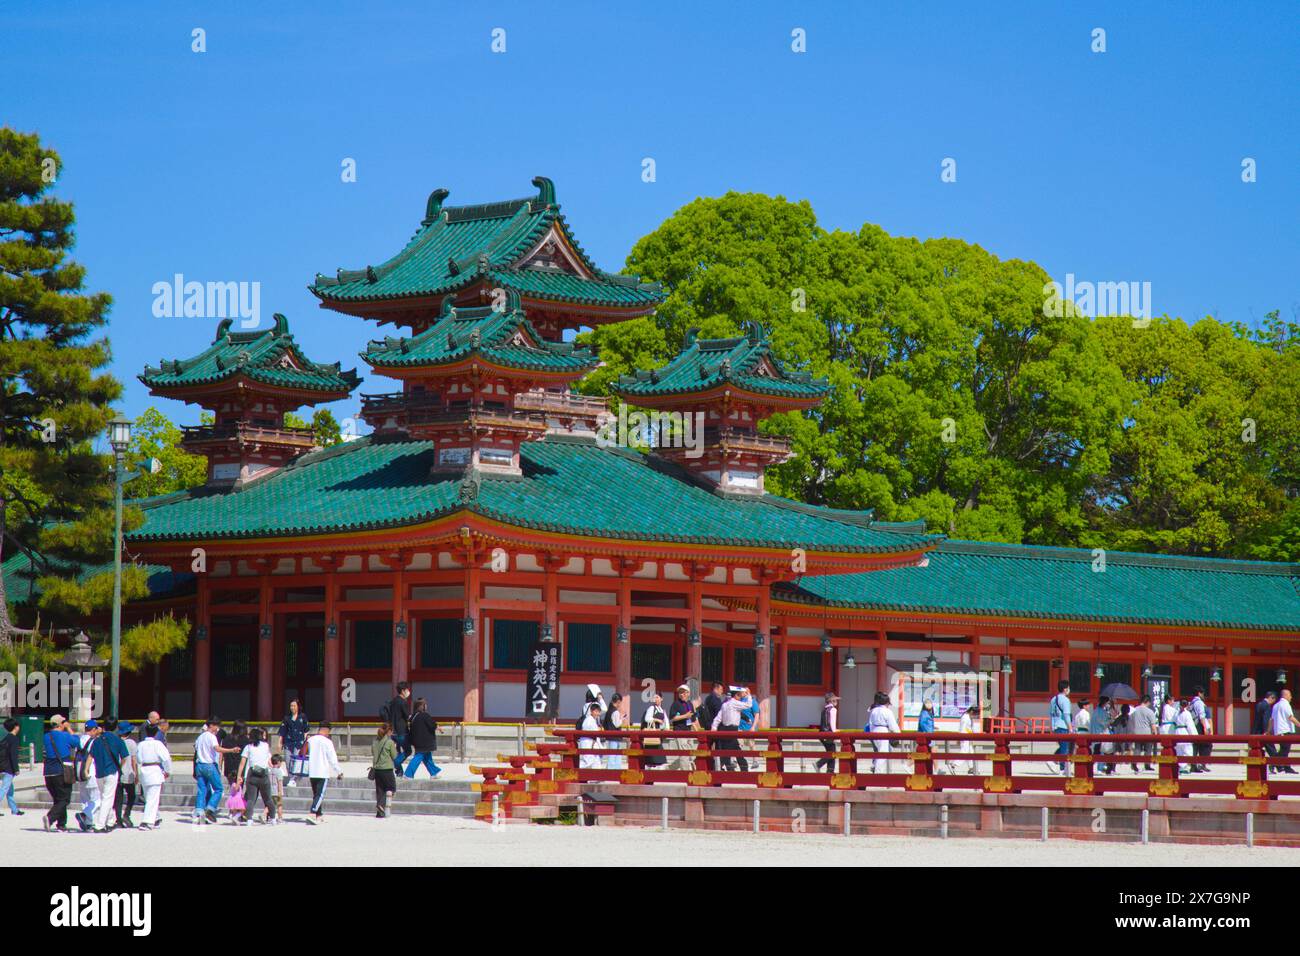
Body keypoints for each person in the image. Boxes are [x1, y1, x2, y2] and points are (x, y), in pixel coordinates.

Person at [193, 718, 238, 824]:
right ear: (212, 725)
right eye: (217, 726)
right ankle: (210, 809)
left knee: (202, 790)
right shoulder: (211, 737)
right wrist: (231, 750)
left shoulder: (200, 737)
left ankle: (199, 812)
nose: (218, 729)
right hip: (209, 765)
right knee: (218, 789)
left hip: (199, 765)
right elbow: (217, 749)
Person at [88, 718, 130, 833]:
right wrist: (119, 766)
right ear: (116, 727)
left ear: (104, 726)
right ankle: (100, 825)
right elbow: (125, 757)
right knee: (107, 798)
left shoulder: (96, 740)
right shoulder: (118, 740)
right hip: (111, 771)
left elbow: (91, 755)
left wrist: (86, 769)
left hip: (99, 772)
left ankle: (110, 820)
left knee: (104, 796)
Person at [41, 715, 78, 832]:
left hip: (48, 772)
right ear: (60, 724)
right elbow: (77, 742)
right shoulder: (65, 736)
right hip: (61, 771)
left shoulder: (46, 736)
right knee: (65, 799)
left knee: (58, 799)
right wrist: (69, 729)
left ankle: (61, 824)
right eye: (64, 721)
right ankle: (50, 817)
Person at [135, 722, 171, 831]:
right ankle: (147, 821)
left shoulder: (140, 744)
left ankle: (155, 818)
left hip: (144, 770)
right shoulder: (158, 744)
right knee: (152, 798)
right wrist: (167, 770)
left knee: (148, 797)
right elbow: (166, 759)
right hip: (154, 770)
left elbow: (138, 759)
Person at [305, 722, 343, 823]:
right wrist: (338, 771)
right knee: (320, 794)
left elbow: (303, 753)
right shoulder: (327, 742)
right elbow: (332, 758)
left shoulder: (310, 740)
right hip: (322, 771)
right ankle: (312, 813)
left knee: (316, 794)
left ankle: (319, 814)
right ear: (327, 730)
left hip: (312, 770)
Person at [236, 727, 274, 824]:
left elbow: (242, 764)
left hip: (252, 773)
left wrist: (238, 777)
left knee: (251, 799)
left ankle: (249, 819)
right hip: (263, 774)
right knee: (268, 798)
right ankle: (273, 818)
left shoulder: (248, 747)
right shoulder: (266, 745)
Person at [711, 686, 751, 772]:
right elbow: (748, 705)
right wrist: (748, 695)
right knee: (734, 751)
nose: (741, 697)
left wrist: (713, 728)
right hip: (732, 729)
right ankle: (742, 769)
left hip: (724, 729)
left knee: (728, 750)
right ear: (737, 695)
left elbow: (718, 718)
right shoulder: (735, 703)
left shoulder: (725, 704)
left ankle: (729, 768)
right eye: (740, 695)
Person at [404, 698, 442, 779]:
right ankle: (408, 774)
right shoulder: (425, 715)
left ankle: (433, 773)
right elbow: (432, 725)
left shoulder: (413, 716)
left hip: (416, 740)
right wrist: (438, 727)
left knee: (427, 757)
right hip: (425, 741)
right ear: (422, 706)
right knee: (419, 756)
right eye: (425, 704)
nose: (426, 706)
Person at [74, 720, 101, 831]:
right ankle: (84, 814)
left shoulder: (79, 740)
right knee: (97, 799)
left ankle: (88, 823)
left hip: (79, 772)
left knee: (85, 799)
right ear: (93, 729)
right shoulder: (94, 741)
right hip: (91, 772)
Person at [380, 684, 411, 777]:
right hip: (402, 731)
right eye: (407, 690)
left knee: (397, 752)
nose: (408, 692)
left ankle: (399, 772)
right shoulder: (403, 702)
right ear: (402, 691)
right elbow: (407, 716)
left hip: (392, 731)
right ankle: (395, 764)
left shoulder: (393, 701)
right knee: (408, 751)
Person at [278, 699, 310, 786]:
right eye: (291, 706)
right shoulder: (286, 718)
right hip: (288, 742)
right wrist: (280, 742)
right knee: (288, 761)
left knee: (296, 760)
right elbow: (282, 730)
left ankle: (293, 779)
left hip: (299, 742)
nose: (292, 707)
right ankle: (291, 777)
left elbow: (306, 730)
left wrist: (305, 740)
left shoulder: (302, 717)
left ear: (298, 707)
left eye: (294, 706)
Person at [866, 691, 900, 773]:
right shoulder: (887, 711)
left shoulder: (873, 710)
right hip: (883, 731)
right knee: (883, 753)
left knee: (879, 751)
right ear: (886, 702)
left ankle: (875, 765)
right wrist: (898, 733)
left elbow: (870, 723)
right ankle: (878, 771)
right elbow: (893, 725)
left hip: (874, 731)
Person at [112, 722, 139, 828]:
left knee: (118, 798)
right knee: (131, 796)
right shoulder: (132, 743)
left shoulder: (115, 742)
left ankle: (118, 819)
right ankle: (127, 814)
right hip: (129, 773)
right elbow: (133, 760)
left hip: (117, 772)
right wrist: (136, 774)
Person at [666, 684, 697, 770]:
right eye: (680, 693)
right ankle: (685, 774)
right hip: (679, 731)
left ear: (688, 693)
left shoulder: (690, 704)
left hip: (688, 731)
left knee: (691, 754)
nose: (681, 694)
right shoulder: (676, 704)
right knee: (684, 753)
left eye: (683, 692)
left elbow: (692, 719)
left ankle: (669, 768)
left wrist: (697, 732)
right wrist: (685, 716)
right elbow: (672, 718)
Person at [371, 722, 399, 817]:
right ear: (389, 731)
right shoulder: (389, 742)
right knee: (392, 788)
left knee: (380, 790)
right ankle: (381, 805)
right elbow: (394, 756)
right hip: (387, 769)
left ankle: (380, 813)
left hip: (377, 770)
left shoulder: (375, 742)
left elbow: (373, 753)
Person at [697, 683, 726, 769]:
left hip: (708, 725)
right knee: (718, 747)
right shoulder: (715, 699)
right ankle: (718, 767)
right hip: (715, 727)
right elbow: (720, 713)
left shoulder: (708, 698)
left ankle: (707, 764)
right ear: (716, 688)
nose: (722, 692)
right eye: (721, 690)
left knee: (708, 746)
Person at [1048, 680, 1071, 774]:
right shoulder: (1065, 700)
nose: (1069, 690)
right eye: (1069, 688)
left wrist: (1052, 726)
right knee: (1065, 748)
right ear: (1065, 689)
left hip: (1055, 726)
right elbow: (1066, 714)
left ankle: (1055, 762)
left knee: (1062, 747)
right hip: (1063, 726)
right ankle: (1061, 768)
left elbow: (1051, 714)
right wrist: (1070, 727)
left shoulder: (1053, 699)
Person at [1271, 688, 1296, 773]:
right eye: (1290, 695)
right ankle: (1273, 763)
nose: (1291, 697)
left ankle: (1284, 766)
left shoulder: (1276, 705)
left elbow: (1272, 720)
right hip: (1285, 730)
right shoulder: (1285, 704)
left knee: (1284, 750)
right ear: (1285, 695)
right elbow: (1290, 717)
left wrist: (1269, 730)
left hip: (1278, 730)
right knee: (1285, 750)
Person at [0, 718, 22, 817]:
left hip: (2, 767)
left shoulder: (5, 738)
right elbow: (13, 755)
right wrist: (16, 769)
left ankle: (14, 809)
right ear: (15, 727)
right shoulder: (14, 739)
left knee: (10, 790)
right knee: (4, 789)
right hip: (8, 768)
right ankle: (15, 810)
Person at [641, 693, 668, 768]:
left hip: (658, 734)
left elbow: (665, 722)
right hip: (652, 734)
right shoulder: (652, 708)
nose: (655, 699)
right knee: (651, 757)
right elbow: (647, 719)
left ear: (661, 699)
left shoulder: (662, 710)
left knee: (659, 757)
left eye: (657, 697)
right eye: (654, 698)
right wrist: (657, 720)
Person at [1131, 695, 1157, 772]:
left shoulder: (1135, 710)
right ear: (1148, 702)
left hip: (1137, 733)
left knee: (1137, 749)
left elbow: (1132, 721)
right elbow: (1153, 725)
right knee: (1148, 750)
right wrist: (1155, 733)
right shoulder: (1150, 712)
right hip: (1147, 733)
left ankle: (1134, 764)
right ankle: (1147, 765)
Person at [1254, 689, 1279, 767]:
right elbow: (1266, 719)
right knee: (1272, 749)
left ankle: (1276, 766)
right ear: (1271, 697)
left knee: (1257, 750)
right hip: (1263, 732)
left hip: (1257, 731)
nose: (1273, 702)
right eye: (1274, 700)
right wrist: (1266, 731)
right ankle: (1278, 765)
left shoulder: (1259, 704)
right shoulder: (1267, 706)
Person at [816, 692, 840, 773]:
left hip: (822, 734)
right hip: (828, 734)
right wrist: (835, 731)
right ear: (832, 701)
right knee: (832, 753)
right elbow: (832, 724)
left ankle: (830, 770)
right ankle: (818, 764)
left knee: (831, 752)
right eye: (835, 700)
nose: (836, 701)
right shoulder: (833, 709)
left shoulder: (824, 710)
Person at [1189, 686, 1212, 773]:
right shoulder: (1199, 702)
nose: (1203, 695)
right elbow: (1202, 716)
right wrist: (1205, 727)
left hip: (1194, 725)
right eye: (1202, 693)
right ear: (1199, 693)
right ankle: (1202, 764)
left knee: (1195, 746)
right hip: (1200, 725)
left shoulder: (1191, 702)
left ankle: (1193, 765)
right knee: (1206, 745)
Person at [603, 692, 627, 771]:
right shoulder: (615, 712)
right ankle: (615, 770)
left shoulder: (608, 711)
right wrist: (622, 719)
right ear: (618, 701)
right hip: (615, 736)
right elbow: (617, 724)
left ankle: (611, 769)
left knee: (611, 754)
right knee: (616, 754)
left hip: (609, 736)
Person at [222, 720, 250, 786]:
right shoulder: (246, 740)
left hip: (229, 767)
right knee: (239, 788)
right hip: (241, 768)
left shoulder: (227, 738)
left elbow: (223, 751)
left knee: (232, 788)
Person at [578, 701, 604, 769]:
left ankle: (596, 778)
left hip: (591, 743)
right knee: (588, 761)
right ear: (592, 711)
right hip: (587, 743)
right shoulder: (589, 720)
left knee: (596, 761)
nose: (597, 713)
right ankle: (574, 769)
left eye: (598, 712)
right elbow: (592, 733)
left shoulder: (592, 720)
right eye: (596, 711)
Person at [1174, 699, 1198, 772]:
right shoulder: (1187, 713)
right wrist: (1195, 735)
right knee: (1187, 750)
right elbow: (1190, 725)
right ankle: (1185, 767)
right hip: (1184, 731)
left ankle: (1180, 766)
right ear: (1187, 705)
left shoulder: (1176, 713)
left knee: (1179, 750)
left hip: (1177, 731)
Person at [1091, 695, 1113, 774]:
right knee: (1101, 751)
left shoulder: (1095, 710)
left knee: (1097, 751)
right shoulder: (1103, 712)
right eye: (1108, 703)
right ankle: (1100, 768)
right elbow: (1104, 723)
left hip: (1095, 733)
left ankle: (1096, 767)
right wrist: (1110, 721)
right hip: (1101, 733)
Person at [955, 704, 979, 775]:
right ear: (971, 711)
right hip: (965, 737)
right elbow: (962, 728)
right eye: (974, 714)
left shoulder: (969, 717)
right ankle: (955, 764)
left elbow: (972, 728)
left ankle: (971, 768)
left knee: (970, 752)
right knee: (964, 751)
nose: (975, 716)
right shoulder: (965, 717)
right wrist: (960, 738)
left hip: (969, 737)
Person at [269, 754, 287, 824]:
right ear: (279, 762)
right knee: (279, 805)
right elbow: (279, 782)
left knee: (271, 805)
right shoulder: (279, 771)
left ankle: (270, 817)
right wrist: (280, 791)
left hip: (270, 790)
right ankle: (280, 818)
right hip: (277, 791)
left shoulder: (270, 771)